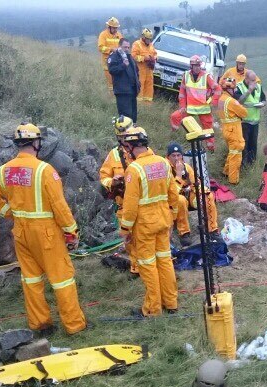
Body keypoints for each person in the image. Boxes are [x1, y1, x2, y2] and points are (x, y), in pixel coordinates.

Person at [0, 124, 86, 335]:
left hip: (21, 232)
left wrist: (10, 213)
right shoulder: (44, 171)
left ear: (17, 144)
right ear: (37, 143)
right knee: (62, 279)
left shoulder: (4, 170)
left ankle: (40, 325)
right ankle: (74, 325)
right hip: (47, 234)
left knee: (31, 280)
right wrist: (71, 231)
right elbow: (59, 206)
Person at [118, 127, 180, 317]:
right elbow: (173, 195)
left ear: (131, 146)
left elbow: (130, 205)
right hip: (163, 221)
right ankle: (171, 302)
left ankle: (153, 309)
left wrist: (125, 229)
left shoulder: (134, 169)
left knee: (148, 265)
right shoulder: (163, 162)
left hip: (145, 225)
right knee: (165, 261)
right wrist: (172, 218)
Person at [98, 116, 138, 273]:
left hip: (143, 202)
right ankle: (136, 269)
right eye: (121, 137)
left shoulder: (143, 151)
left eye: (126, 136)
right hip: (123, 204)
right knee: (129, 239)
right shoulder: (114, 155)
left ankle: (148, 268)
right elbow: (103, 177)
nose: (124, 140)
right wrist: (112, 182)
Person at [166, 142, 219, 242]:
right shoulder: (165, 169)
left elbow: (196, 183)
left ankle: (212, 230)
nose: (176, 158)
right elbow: (172, 192)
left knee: (208, 195)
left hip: (188, 196)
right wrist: (178, 175)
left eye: (178, 155)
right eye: (173, 155)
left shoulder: (186, 167)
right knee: (180, 200)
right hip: (173, 201)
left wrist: (200, 191)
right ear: (168, 157)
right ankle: (184, 233)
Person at [171, 55, 221, 151]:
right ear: (191, 66)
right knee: (175, 117)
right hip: (189, 107)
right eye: (195, 66)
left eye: (199, 65)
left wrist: (213, 102)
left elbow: (218, 89)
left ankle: (211, 149)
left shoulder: (207, 76)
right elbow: (182, 93)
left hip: (204, 109)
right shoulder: (186, 75)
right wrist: (182, 106)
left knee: (208, 131)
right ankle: (174, 137)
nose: (197, 68)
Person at [218, 77, 248, 185]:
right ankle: (233, 180)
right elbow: (244, 113)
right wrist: (241, 105)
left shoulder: (221, 99)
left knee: (232, 152)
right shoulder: (231, 101)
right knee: (236, 155)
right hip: (234, 131)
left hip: (226, 130)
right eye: (234, 89)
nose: (235, 91)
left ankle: (226, 172)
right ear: (229, 89)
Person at [235, 70, 266, 167]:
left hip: (255, 121)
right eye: (252, 80)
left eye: (255, 80)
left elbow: (263, 98)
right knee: (244, 144)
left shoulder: (259, 86)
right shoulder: (239, 87)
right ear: (246, 79)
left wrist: (262, 104)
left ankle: (252, 165)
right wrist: (249, 91)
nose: (254, 82)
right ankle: (243, 165)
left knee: (253, 144)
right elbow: (239, 101)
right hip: (244, 122)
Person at [108, 38, 140, 123]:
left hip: (132, 90)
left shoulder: (130, 56)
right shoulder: (114, 56)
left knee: (133, 115)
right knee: (125, 116)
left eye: (128, 47)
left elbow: (136, 71)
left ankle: (133, 130)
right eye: (125, 47)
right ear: (119, 46)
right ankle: (124, 131)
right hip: (122, 91)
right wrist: (123, 65)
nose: (127, 49)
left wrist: (138, 83)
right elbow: (112, 70)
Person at [131, 28, 157, 105]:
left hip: (149, 71)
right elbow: (133, 56)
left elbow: (155, 54)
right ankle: (138, 104)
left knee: (149, 87)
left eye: (150, 39)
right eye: (147, 39)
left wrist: (154, 58)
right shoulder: (137, 44)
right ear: (143, 37)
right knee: (140, 86)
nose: (149, 41)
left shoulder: (151, 45)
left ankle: (147, 104)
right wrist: (143, 58)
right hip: (140, 71)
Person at [97, 17, 122, 88]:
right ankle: (111, 95)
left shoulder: (119, 35)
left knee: (119, 83)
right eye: (114, 28)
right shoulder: (103, 35)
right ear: (109, 27)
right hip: (108, 64)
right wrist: (111, 49)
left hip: (118, 63)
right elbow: (100, 48)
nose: (115, 30)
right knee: (111, 84)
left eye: (116, 28)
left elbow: (122, 46)